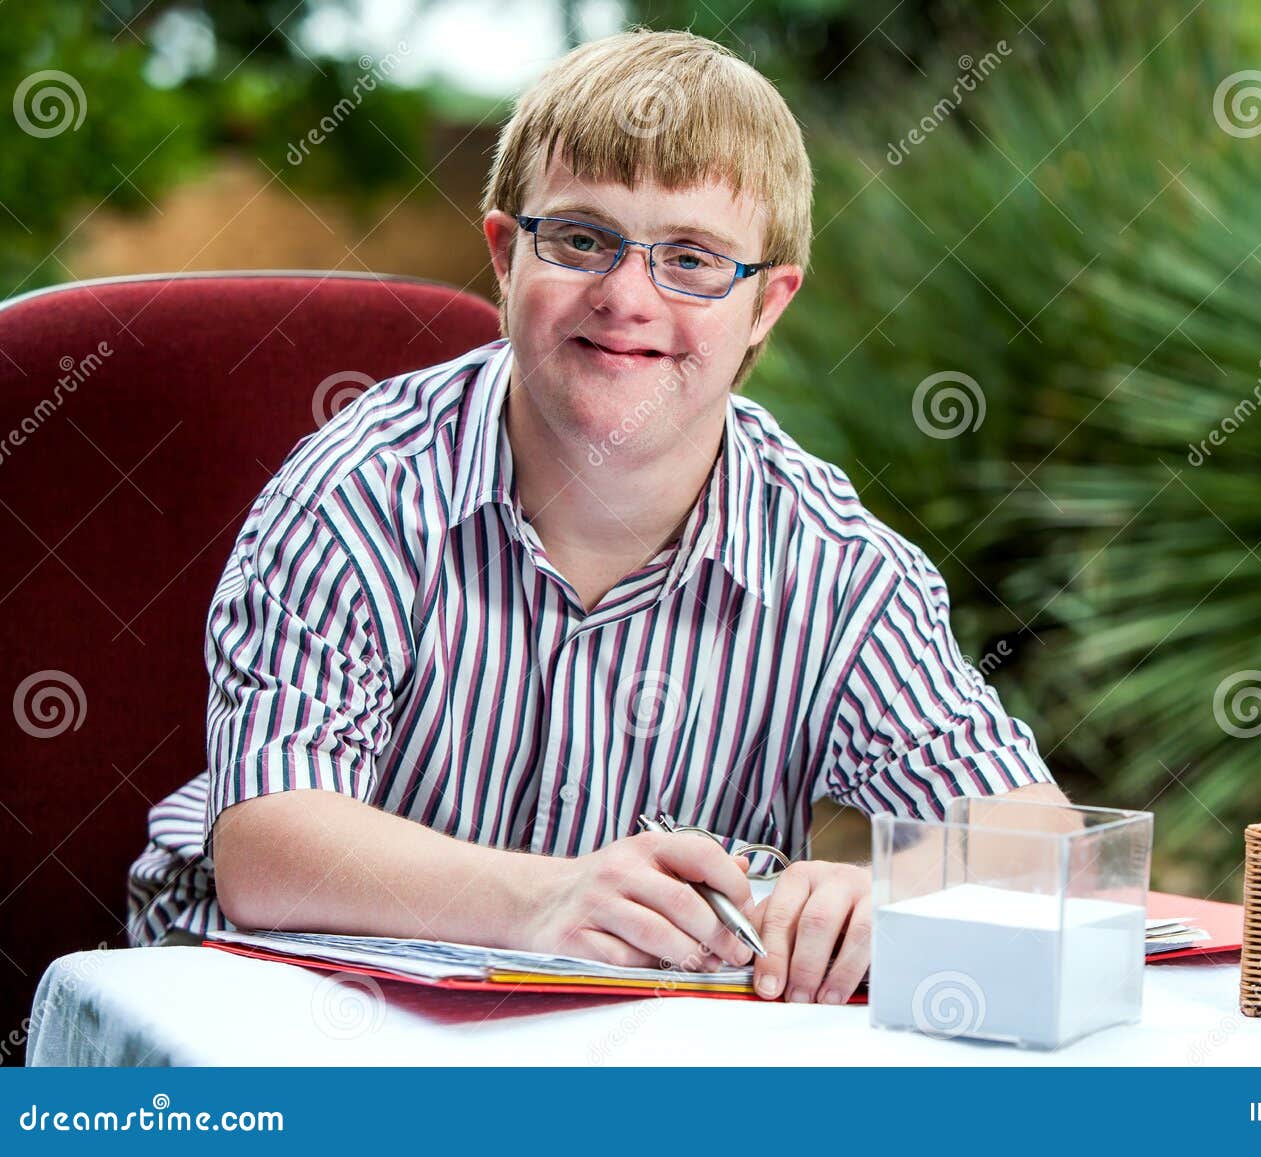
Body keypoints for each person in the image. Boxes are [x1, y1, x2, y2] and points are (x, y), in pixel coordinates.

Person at [127, 26, 1069, 1006]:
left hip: (626, 1049)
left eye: (693, 259)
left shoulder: (834, 567)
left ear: (768, 305)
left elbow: (1042, 847)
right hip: (275, 1018)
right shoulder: (361, 492)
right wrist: (547, 899)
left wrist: (893, 893)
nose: (626, 297)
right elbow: (267, 847)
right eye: (581, 239)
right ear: (505, 257)